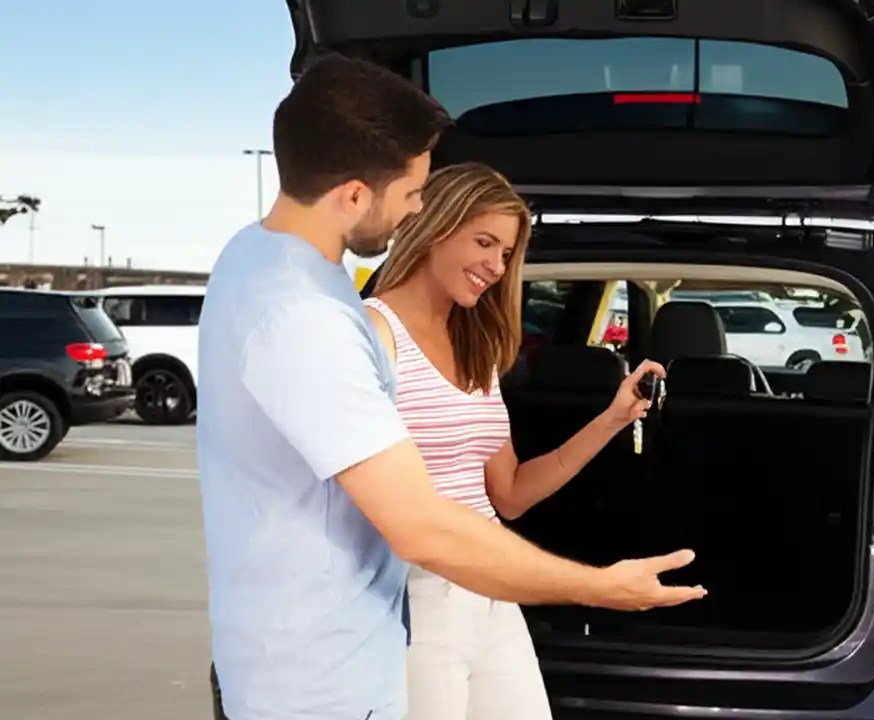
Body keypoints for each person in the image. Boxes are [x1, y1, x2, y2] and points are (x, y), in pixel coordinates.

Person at [197, 54, 705, 720]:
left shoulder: (266, 264)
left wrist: (612, 417)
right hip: (384, 621)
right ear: (356, 195)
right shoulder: (329, 323)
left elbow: (509, 494)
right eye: (413, 194)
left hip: (467, 599)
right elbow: (420, 528)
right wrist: (599, 587)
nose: (414, 206)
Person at [361, 162, 662, 720]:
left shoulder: (474, 351)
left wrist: (614, 418)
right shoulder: (373, 335)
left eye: (505, 254)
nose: (495, 267)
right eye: (484, 242)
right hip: (415, 596)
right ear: (433, 225)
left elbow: (511, 495)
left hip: (492, 590)